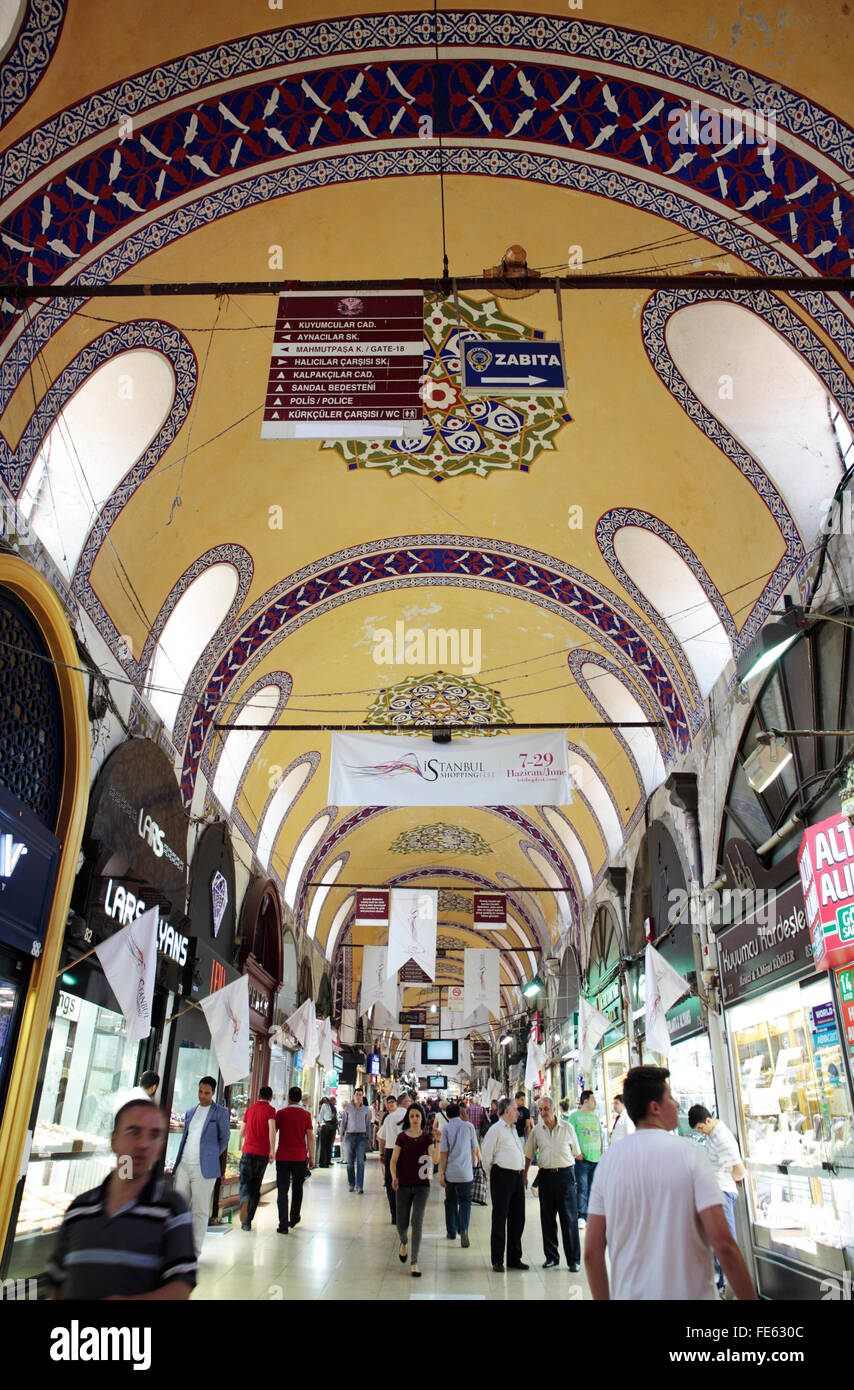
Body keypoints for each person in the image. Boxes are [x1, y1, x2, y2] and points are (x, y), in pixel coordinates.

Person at [584, 1066, 756, 1302]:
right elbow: (724, 1244)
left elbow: (592, 1252)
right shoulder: (691, 1154)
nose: (676, 1105)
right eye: (670, 1098)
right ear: (655, 1107)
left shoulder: (608, 1163)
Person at [47, 1100, 196, 1300]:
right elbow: (56, 1284)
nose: (143, 1144)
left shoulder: (171, 1210)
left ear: (160, 1147)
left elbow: (181, 1289)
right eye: (133, 1132)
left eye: (153, 1136)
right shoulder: (79, 1210)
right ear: (114, 1140)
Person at [688, 1104, 746, 1294]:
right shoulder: (713, 1134)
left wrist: (733, 1179)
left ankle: (733, 1287)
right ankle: (723, 1284)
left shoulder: (722, 1138)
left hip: (722, 1194)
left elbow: (739, 1170)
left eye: (700, 1128)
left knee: (725, 1241)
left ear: (708, 1121)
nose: (700, 1132)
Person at [172, 1076, 230, 1255]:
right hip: (184, 1164)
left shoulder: (220, 1113)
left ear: (213, 1093)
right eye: (200, 1092)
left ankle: (194, 1250)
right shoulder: (190, 1112)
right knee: (178, 1207)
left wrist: (210, 1156)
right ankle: (176, 1247)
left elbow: (224, 1139)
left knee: (200, 1210)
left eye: (206, 1093)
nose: (202, 1096)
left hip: (204, 1168)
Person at [524, 1094, 582, 1271]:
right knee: (547, 1219)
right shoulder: (537, 1130)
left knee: (569, 1218)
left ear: (554, 1109)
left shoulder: (567, 1128)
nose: (543, 1112)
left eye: (546, 1109)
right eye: (541, 1110)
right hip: (546, 1177)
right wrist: (525, 1174)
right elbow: (529, 1154)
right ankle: (551, 1257)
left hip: (565, 1176)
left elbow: (576, 1153)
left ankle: (573, 1260)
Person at [390, 1099, 439, 1277]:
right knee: (401, 1223)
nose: (415, 1119)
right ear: (408, 1118)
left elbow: (434, 1160)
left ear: (422, 1118)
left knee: (417, 1221)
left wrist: (438, 1141)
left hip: (422, 1185)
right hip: (403, 1184)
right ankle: (404, 1242)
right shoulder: (401, 1137)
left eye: (418, 1116)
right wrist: (394, 1177)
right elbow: (393, 1160)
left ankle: (414, 1261)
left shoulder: (427, 1138)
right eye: (412, 1116)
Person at [480, 1096, 528, 1272]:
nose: (518, 1113)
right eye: (515, 1109)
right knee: (500, 1218)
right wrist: (491, 1175)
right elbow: (486, 1155)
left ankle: (514, 1257)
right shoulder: (496, 1130)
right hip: (502, 1177)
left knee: (518, 1218)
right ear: (506, 1111)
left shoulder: (513, 1129)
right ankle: (498, 1260)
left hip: (516, 1177)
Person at [439, 1100, 480, 1246]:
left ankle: (451, 1231)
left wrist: (441, 1173)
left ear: (448, 1115)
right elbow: (473, 1149)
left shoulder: (446, 1129)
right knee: (465, 1201)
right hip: (466, 1172)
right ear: (459, 1113)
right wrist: (473, 1164)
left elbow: (443, 1153)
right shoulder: (469, 1127)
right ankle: (464, 1228)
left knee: (450, 1201)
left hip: (451, 1172)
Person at [274, 1085, 313, 1233]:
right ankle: (294, 1216)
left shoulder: (281, 1113)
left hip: (283, 1156)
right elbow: (310, 1137)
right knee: (297, 1188)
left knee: (282, 1191)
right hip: (299, 1157)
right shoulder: (306, 1115)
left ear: (289, 1097)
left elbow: (274, 1131)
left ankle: (283, 1224)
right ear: (299, 1098)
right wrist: (311, 1156)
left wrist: (270, 1149)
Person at [238, 1085, 276, 1231]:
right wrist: (272, 1150)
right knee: (255, 1188)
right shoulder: (270, 1110)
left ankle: (244, 1199)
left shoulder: (250, 1109)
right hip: (262, 1154)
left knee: (245, 1184)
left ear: (258, 1096)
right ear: (270, 1098)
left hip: (247, 1152)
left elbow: (241, 1132)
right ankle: (247, 1222)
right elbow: (272, 1130)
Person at [568, 1090, 603, 1223]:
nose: (595, 1103)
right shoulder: (575, 1117)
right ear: (586, 1101)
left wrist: (600, 1152)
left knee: (593, 1187)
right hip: (582, 1159)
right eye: (593, 1100)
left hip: (596, 1158)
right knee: (582, 1187)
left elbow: (599, 1135)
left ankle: (591, 1214)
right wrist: (576, 1153)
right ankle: (582, 1215)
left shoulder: (594, 1116)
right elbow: (569, 1136)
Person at [378, 1093, 407, 1223]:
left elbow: (381, 1137)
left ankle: (394, 1214)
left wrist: (381, 1153)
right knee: (406, 1182)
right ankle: (404, 1214)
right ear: (404, 1102)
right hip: (406, 1151)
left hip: (391, 1150)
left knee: (391, 1182)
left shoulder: (389, 1118)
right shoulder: (410, 1115)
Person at [339, 1086, 373, 1192]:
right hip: (349, 1136)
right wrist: (341, 1135)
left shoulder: (365, 1109)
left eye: (360, 1095)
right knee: (350, 1162)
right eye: (357, 1095)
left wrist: (368, 1137)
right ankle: (351, 1183)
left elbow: (367, 1124)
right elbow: (343, 1123)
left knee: (360, 1162)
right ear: (354, 1096)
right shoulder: (348, 1109)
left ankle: (359, 1186)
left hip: (361, 1137)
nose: (358, 1097)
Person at [317, 1093, 337, 1167]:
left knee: (329, 1145)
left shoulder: (333, 1108)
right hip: (326, 1126)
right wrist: (320, 1124)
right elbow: (321, 1116)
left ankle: (327, 1161)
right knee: (324, 1145)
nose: (334, 1101)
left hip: (332, 1127)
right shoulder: (325, 1106)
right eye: (333, 1100)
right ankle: (323, 1162)